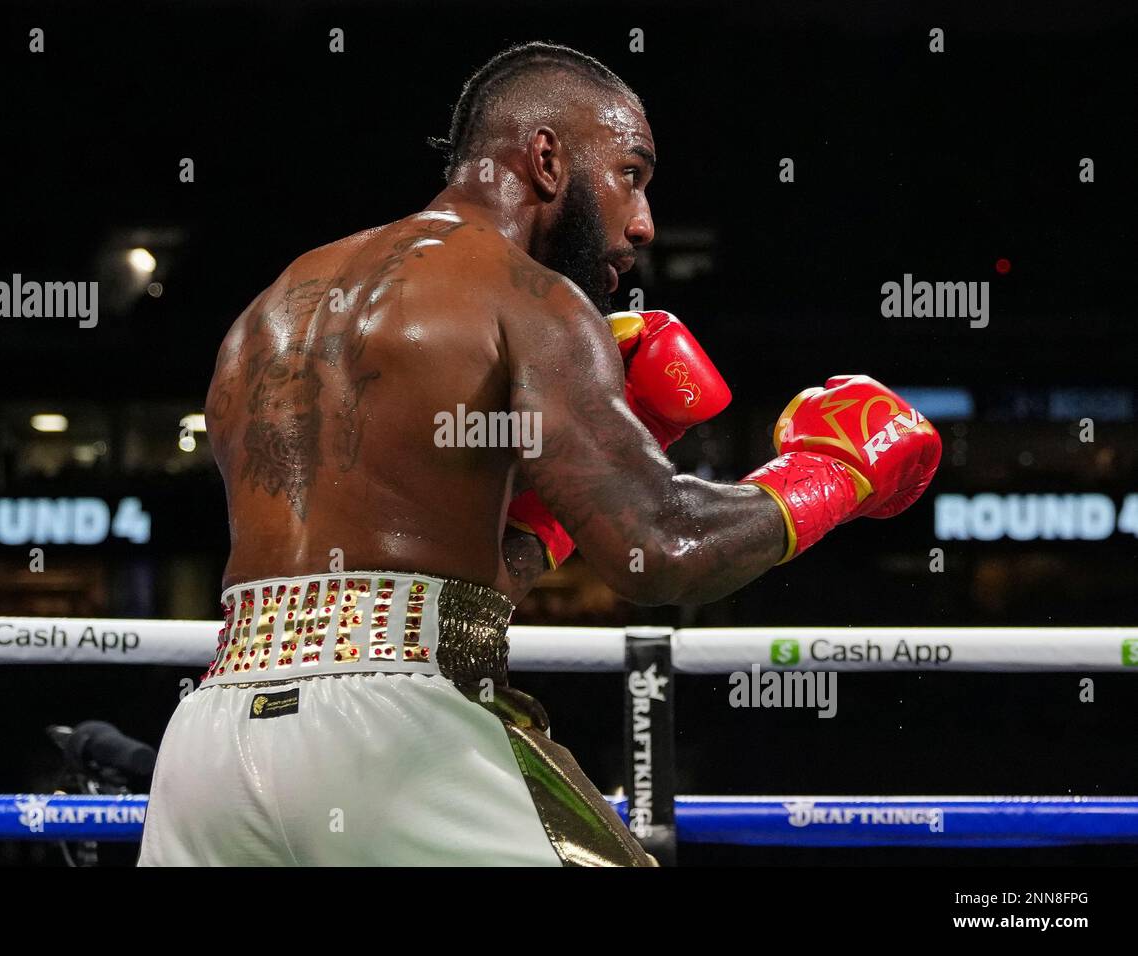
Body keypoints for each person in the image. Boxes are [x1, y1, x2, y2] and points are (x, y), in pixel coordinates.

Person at [138, 41, 940, 866]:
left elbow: (387, 585)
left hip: (209, 750)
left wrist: (546, 523)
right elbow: (662, 548)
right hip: (394, 739)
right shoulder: (527, 297)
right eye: (631, 173)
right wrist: (834, 471)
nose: (643, 221)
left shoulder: (275, 307)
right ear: (547, 158)